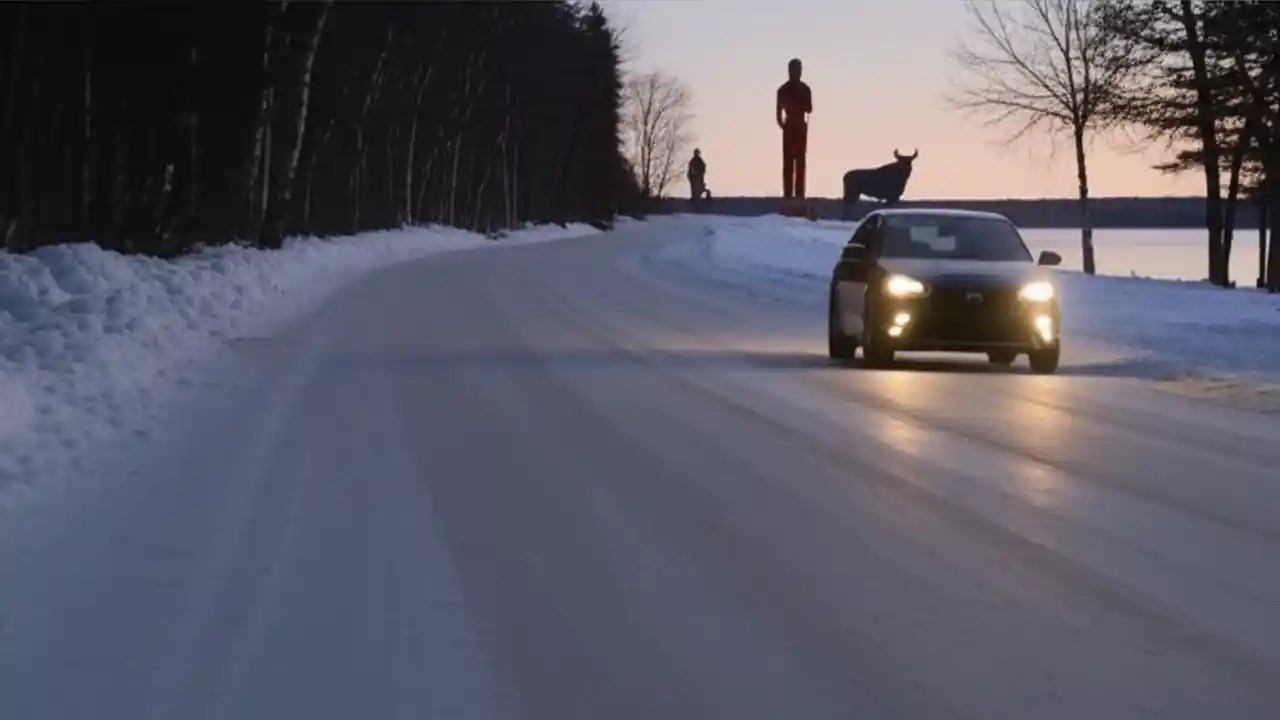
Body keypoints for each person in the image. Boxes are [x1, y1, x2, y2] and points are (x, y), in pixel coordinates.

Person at [776, 58, 812, 200]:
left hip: (794, 127)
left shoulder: (788, 89)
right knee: (791, 162)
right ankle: (792, 194)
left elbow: (809, 108)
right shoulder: (798, 89)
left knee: (797, 162)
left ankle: (796, 194)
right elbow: (808, 108)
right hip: (793, 127)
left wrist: (784, 124)